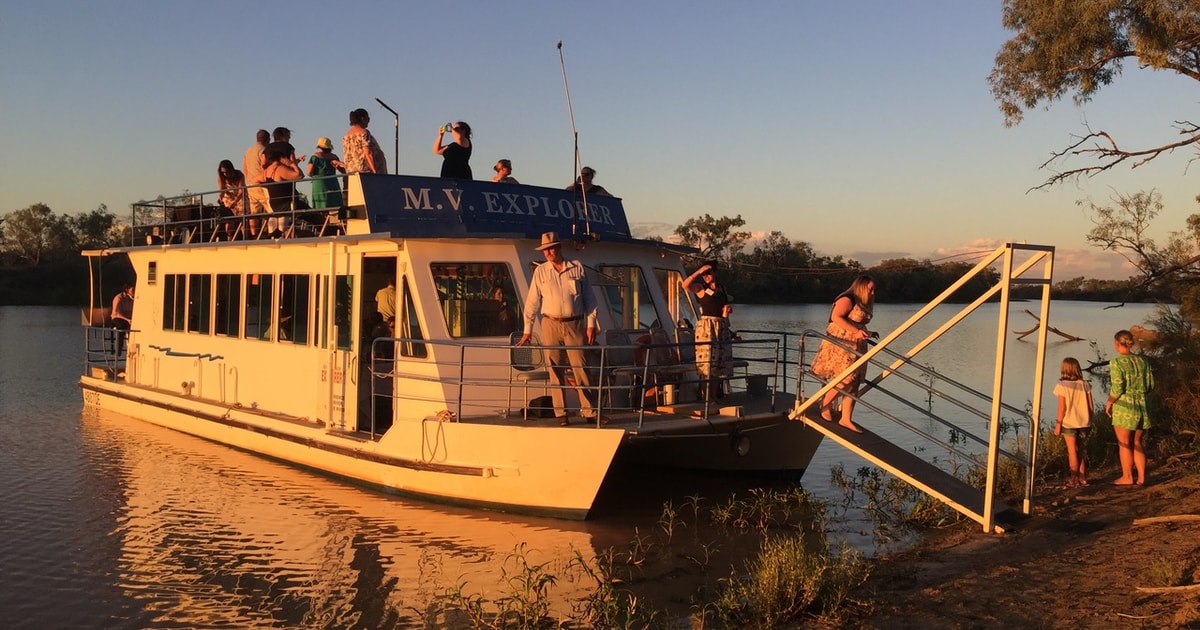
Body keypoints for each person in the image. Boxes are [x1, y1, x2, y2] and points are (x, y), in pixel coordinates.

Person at [518, 231, 605, 425]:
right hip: (550, 323)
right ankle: (561, 414)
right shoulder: (540, 271)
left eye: (550, 248)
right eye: (544, 250)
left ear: (558, 248)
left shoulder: (577, 267)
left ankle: (590, 411)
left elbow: (590, 300)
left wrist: (590, 325)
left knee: (581, 367)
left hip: (575, 323)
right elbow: (532, 302)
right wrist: (527, 330)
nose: (548, 253)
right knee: (555, 369)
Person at [809, 275, 877, 433]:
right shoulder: (848, 298)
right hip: (842, 342)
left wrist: (867, 333)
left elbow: (857, 321)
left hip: (857, 342)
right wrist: (855, 331)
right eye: (870, 289)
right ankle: (825, 403)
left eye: (874, 289)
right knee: (846, 378)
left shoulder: (863, 301)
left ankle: (846, 418)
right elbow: (835, 317)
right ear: (861, 287)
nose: (873, 292)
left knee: (854, 381)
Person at [1105, 329, 1154, 485]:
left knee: (1124, 443)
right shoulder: (1143, 361)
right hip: (1142, 404)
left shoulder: (1116, 362)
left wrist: (1110, 401)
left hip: (1124, 406)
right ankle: (1141, 477)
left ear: (1117, 343)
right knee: (1138, 442)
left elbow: (1118, 386)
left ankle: (1127, 476)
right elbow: (1150, 384)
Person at [682, 260, 733, 401]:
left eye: (708, 273)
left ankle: (714, 396)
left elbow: (723, 309)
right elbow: (685, 285)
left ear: (715, 272)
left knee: (717, 366)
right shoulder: (700, 288)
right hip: (706, 327)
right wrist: (698, 272)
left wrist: (726, 312)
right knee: (706, 365)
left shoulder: (722, 289)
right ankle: (706, 397)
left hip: (720, 326)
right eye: (703, 274)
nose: (706, 276)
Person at [1053, 357, 1093, 488]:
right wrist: (1090, 419)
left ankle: (1073, 478)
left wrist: (1058, 423)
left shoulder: (1062, 386)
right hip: (1084, 422)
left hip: (1069, 423)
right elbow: (1091, 406)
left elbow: (1062, 407)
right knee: (1081, 450)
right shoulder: (1085, 384)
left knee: (1072, 451)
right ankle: (1083, 477)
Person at [253, 145, 304, 238]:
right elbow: (299, 176)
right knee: (282, 227)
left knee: (273, 224)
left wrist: (267, 186)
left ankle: (271, 240)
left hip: (273, 205)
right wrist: (292, 164)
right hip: (284, 204)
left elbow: (254, 181)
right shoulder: (280, 169)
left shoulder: (267, 171)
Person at [243, 129, 271, 237]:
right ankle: (269, 232)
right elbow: (265, 167)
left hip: (251, 184)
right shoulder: (264, 150)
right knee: (270, 210)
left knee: (254, 211)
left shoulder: (248, 151)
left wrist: (249, 179)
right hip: (262, 184)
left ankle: (254, 234)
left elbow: (245, 168)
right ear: (267, 139)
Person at [343, 108, 387, 175]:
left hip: (352, 173)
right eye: (368, 119)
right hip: (366, 172)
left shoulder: (346, 136)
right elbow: (368, 153)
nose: (368, 122)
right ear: (363, 119)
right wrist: (374, 171)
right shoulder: (364, 133)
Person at [307, 137, 345, 208]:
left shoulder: (315, 156)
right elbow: (343, 171)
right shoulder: (334, 157)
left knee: (321, 204)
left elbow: (309, 172)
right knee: (335, 204)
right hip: (333, 181)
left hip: (320, 182)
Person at [216, 159, 246, 240]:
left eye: (227, 172)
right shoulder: (221, 177)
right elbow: (222, 189)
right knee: (229, 221)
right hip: (228, 198)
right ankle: (230, 239)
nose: (225, 174)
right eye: (223, 172)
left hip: (240, 197)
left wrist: (235, 201)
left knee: (242, 219)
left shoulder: (239, 175)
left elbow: (241, 190)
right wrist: (220, 197)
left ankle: (245, 238)